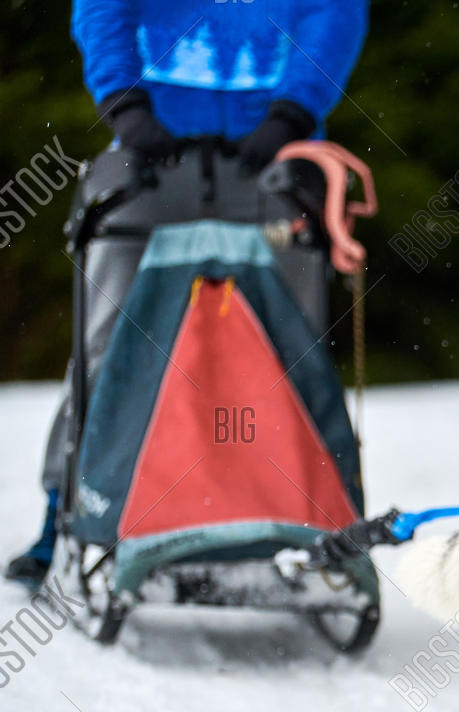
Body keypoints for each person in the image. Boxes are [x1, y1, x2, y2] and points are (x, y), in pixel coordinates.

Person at [5, 0, 367, 587]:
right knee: (110, 342)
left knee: (289, 347)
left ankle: (303, 515)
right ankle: (70, 511)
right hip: (147, 150)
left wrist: (292, 115)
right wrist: (126, 107)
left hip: (277, 155)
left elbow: (333, 14)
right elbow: (103, 10)